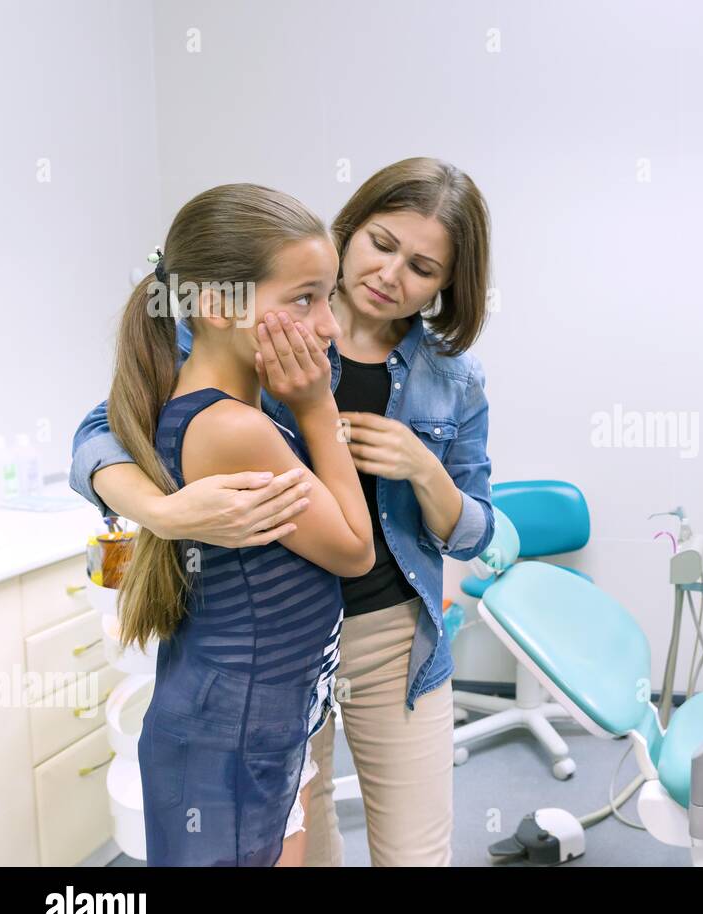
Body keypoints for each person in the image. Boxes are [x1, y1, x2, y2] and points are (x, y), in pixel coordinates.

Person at [71, 158, 497, 866]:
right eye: (383, 244)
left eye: (423, 267)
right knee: (303, 828)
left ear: (447, 284)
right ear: (352, 228)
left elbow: (477, 529)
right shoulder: (240, 326)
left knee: (415, 850)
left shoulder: (453, 379)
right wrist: (165, 513)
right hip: (274, 645)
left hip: (391, 637)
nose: (392, 275)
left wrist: (426, 471)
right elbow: (105, 429)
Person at [109, 183, 374, 865]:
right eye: (304, 298)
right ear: (217, 306)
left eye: (329, 296)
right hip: (230, 728)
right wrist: (318, 409)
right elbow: (353, 550)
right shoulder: (232, 426)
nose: (328, 326)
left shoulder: (231, 402)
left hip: (256, 714)